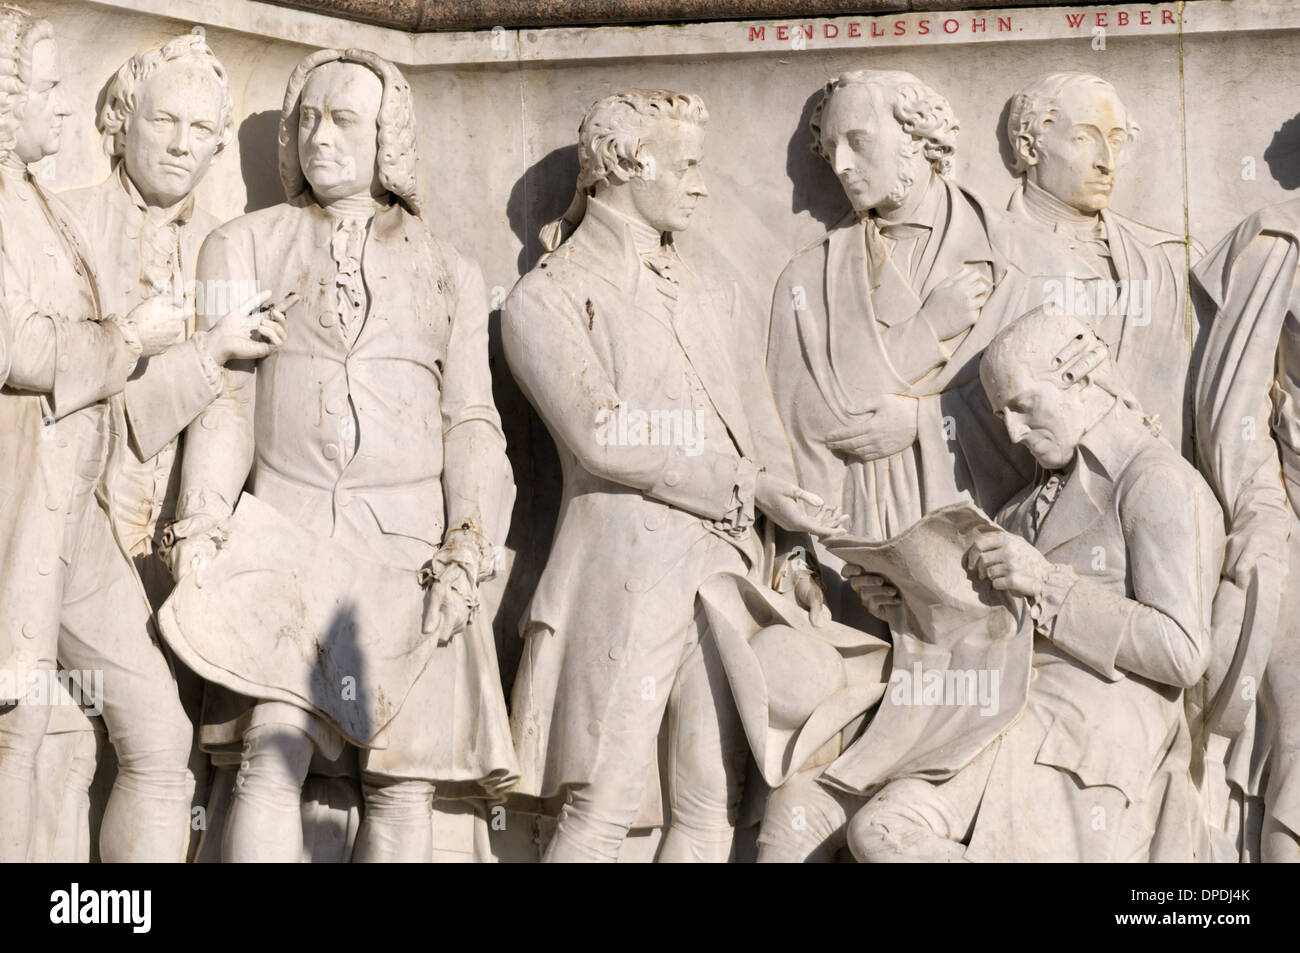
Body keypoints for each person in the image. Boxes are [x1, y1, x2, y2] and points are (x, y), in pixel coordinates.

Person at [165, 48, 517, 862]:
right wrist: (201, 522)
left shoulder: (452, 270)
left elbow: (471, 422)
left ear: (389, 138)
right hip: (285, 536)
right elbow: (229, 398)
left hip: (411, 547)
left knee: (404, 781)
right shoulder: (243, 244)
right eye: (308, 120)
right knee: (270, 750)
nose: (320, 138)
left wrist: (466, 546)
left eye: (344, 120)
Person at [504, 88, 841, 862]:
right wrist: (743, 485)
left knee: (710, 800)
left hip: (727, 567)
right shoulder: (547, 297)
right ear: (625, 162)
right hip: (621, 574)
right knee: (600, 804)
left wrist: (788, 542)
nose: (701, 183)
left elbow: (758, 422)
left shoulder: (711, 287)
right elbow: (604, 436)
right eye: (686, 164)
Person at [844, 309, 1222, 861]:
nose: (1014, 434)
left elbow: (1184, 652)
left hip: (1085, 739)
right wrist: (905, 605)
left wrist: (1047, 585)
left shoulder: (1157, 480)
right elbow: (991, 623)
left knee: (887, 832)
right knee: (880, 828)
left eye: (1022, 405)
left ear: (1078, 375)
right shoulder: (1025, 504)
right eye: (1002, 416)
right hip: (1001, 716)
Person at [0, 3, 194, 862]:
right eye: (45, 86)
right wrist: (130, 338)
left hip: (71, 516)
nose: (61, 105)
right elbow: (13, 343)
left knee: (149, 728)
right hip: (20, 510)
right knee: (19, 733)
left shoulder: (35, 197)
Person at [1004, 72, 1201, 458]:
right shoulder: (985, 253)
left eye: (1115, 141)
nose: (1107, 163)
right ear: (1029, 147)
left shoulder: (1170, 259)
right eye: (1083, 139)